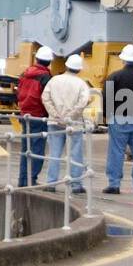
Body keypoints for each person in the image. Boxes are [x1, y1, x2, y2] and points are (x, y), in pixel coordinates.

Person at [103, 44, 133, 194]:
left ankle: (114, 184)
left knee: (116, 151)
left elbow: (107, 98)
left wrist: (106, 115)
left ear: (123, 60)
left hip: (119, 118)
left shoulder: (114, 77)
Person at [42, 53, 91, 194]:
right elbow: (82, 103)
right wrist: (69, 116)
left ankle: (51, 183)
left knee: (54, 153)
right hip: (74, 124)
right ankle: (76, 185)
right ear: (79, 69)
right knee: (76, 154)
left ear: (66, 66)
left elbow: (45, 98)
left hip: (54, 122)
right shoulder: (81, 84)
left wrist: (56, 115)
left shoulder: (54, 80)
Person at [16, 46, 54, 187]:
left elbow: (18, 92)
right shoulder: (46, 77)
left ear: (36, 58)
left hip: (25, 114)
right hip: (39, 116)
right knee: (37, 149)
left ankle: (22, 180)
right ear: (49, 61)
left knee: (25, 148)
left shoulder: (25, 73)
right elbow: (47, 98)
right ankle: (32, 179)